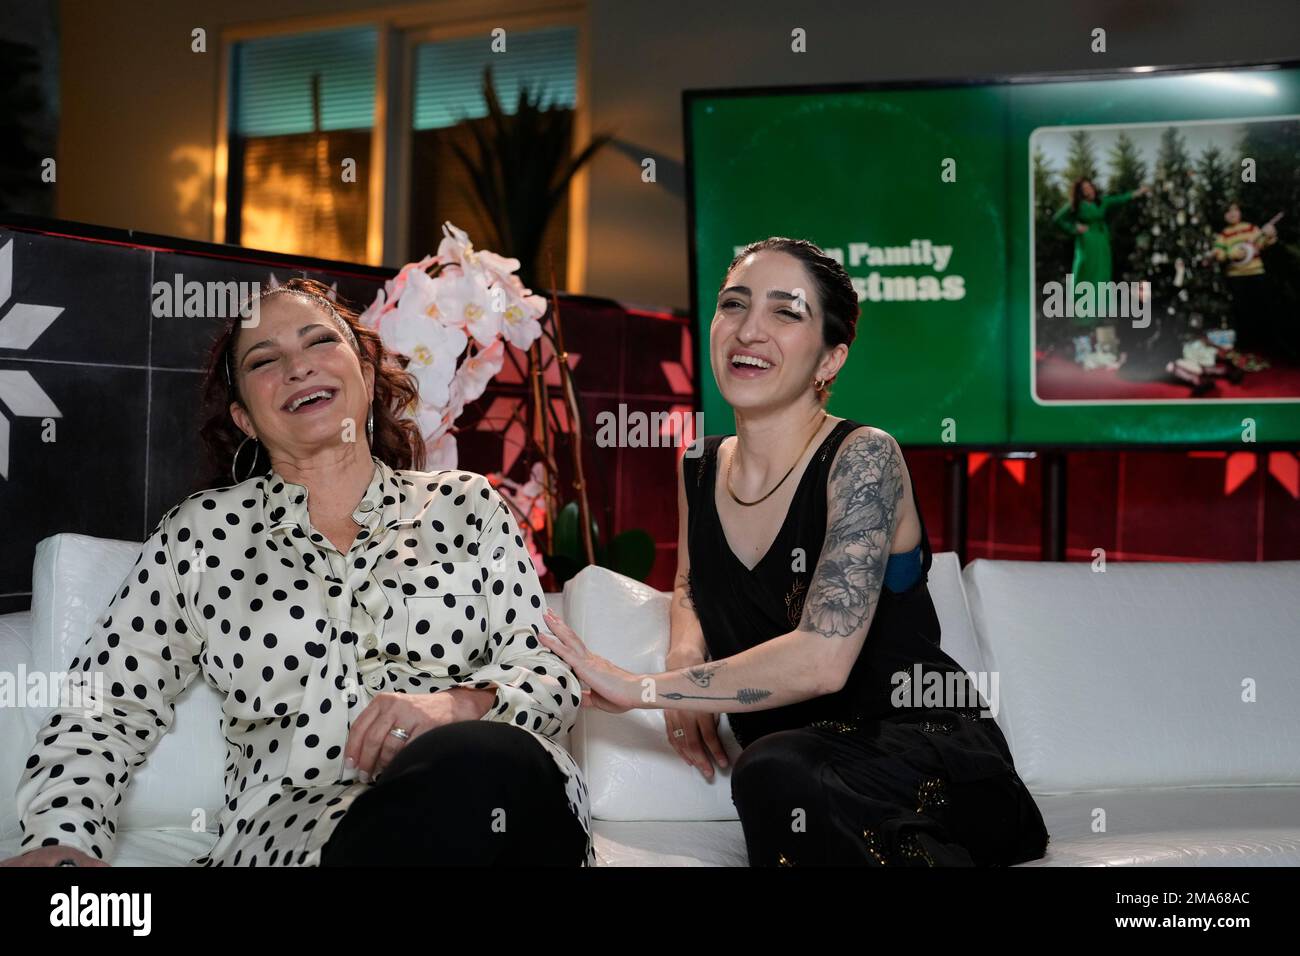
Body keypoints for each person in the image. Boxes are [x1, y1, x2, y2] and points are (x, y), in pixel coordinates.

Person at [4, 278, 591, 868]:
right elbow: (106, 705)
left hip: (503, 794)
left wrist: (458, 706)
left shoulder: (469, 506)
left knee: (482, 767)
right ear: (246, 418)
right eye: (265, 360)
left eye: (319, 343)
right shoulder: (201, 535)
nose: (299, 368)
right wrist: (62, 841)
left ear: (365, 369)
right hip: (304, 834)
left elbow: (549, 670)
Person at [539, 238, 1050, 866]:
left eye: (786, 312)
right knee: (776, 771)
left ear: (830, 360)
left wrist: (645, 688)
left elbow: (823, 661)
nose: (749, 330)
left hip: (921, 758)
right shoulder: (697, 466)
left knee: (774, 770)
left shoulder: (864, 459)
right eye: (734, 304)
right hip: (792, 765)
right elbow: (690, 585)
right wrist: (684, 649)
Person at [1053, 179, 1150, 359]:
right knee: (1085, 279)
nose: (1088, 190)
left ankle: (1097, 323)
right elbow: (1058, 219)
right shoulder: (1076, 205)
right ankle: (1082, 323)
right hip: (1087, 244)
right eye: (1084, 189)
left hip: (1102, 243)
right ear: (1080, 192)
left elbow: (1120, 199)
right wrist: (1075, 228)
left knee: (1102, 280)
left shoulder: (1102, 201)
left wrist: (1139, 192)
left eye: (1089, 186)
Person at [1213, 202, 1281, 364]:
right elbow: (1218, 254)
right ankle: (1245, 346)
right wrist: (1230, 253)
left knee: (1263, 307)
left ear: (1240, 212)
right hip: (1236, 277)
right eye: (1228, 212)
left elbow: (1264, 243)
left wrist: (1269, 235)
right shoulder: (1224, 234)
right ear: (1224, 216)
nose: (1233, 214)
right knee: (1242, 310)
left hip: (1256, 273)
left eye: (1235, 210)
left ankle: (1267, 345)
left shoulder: (1251, 228)